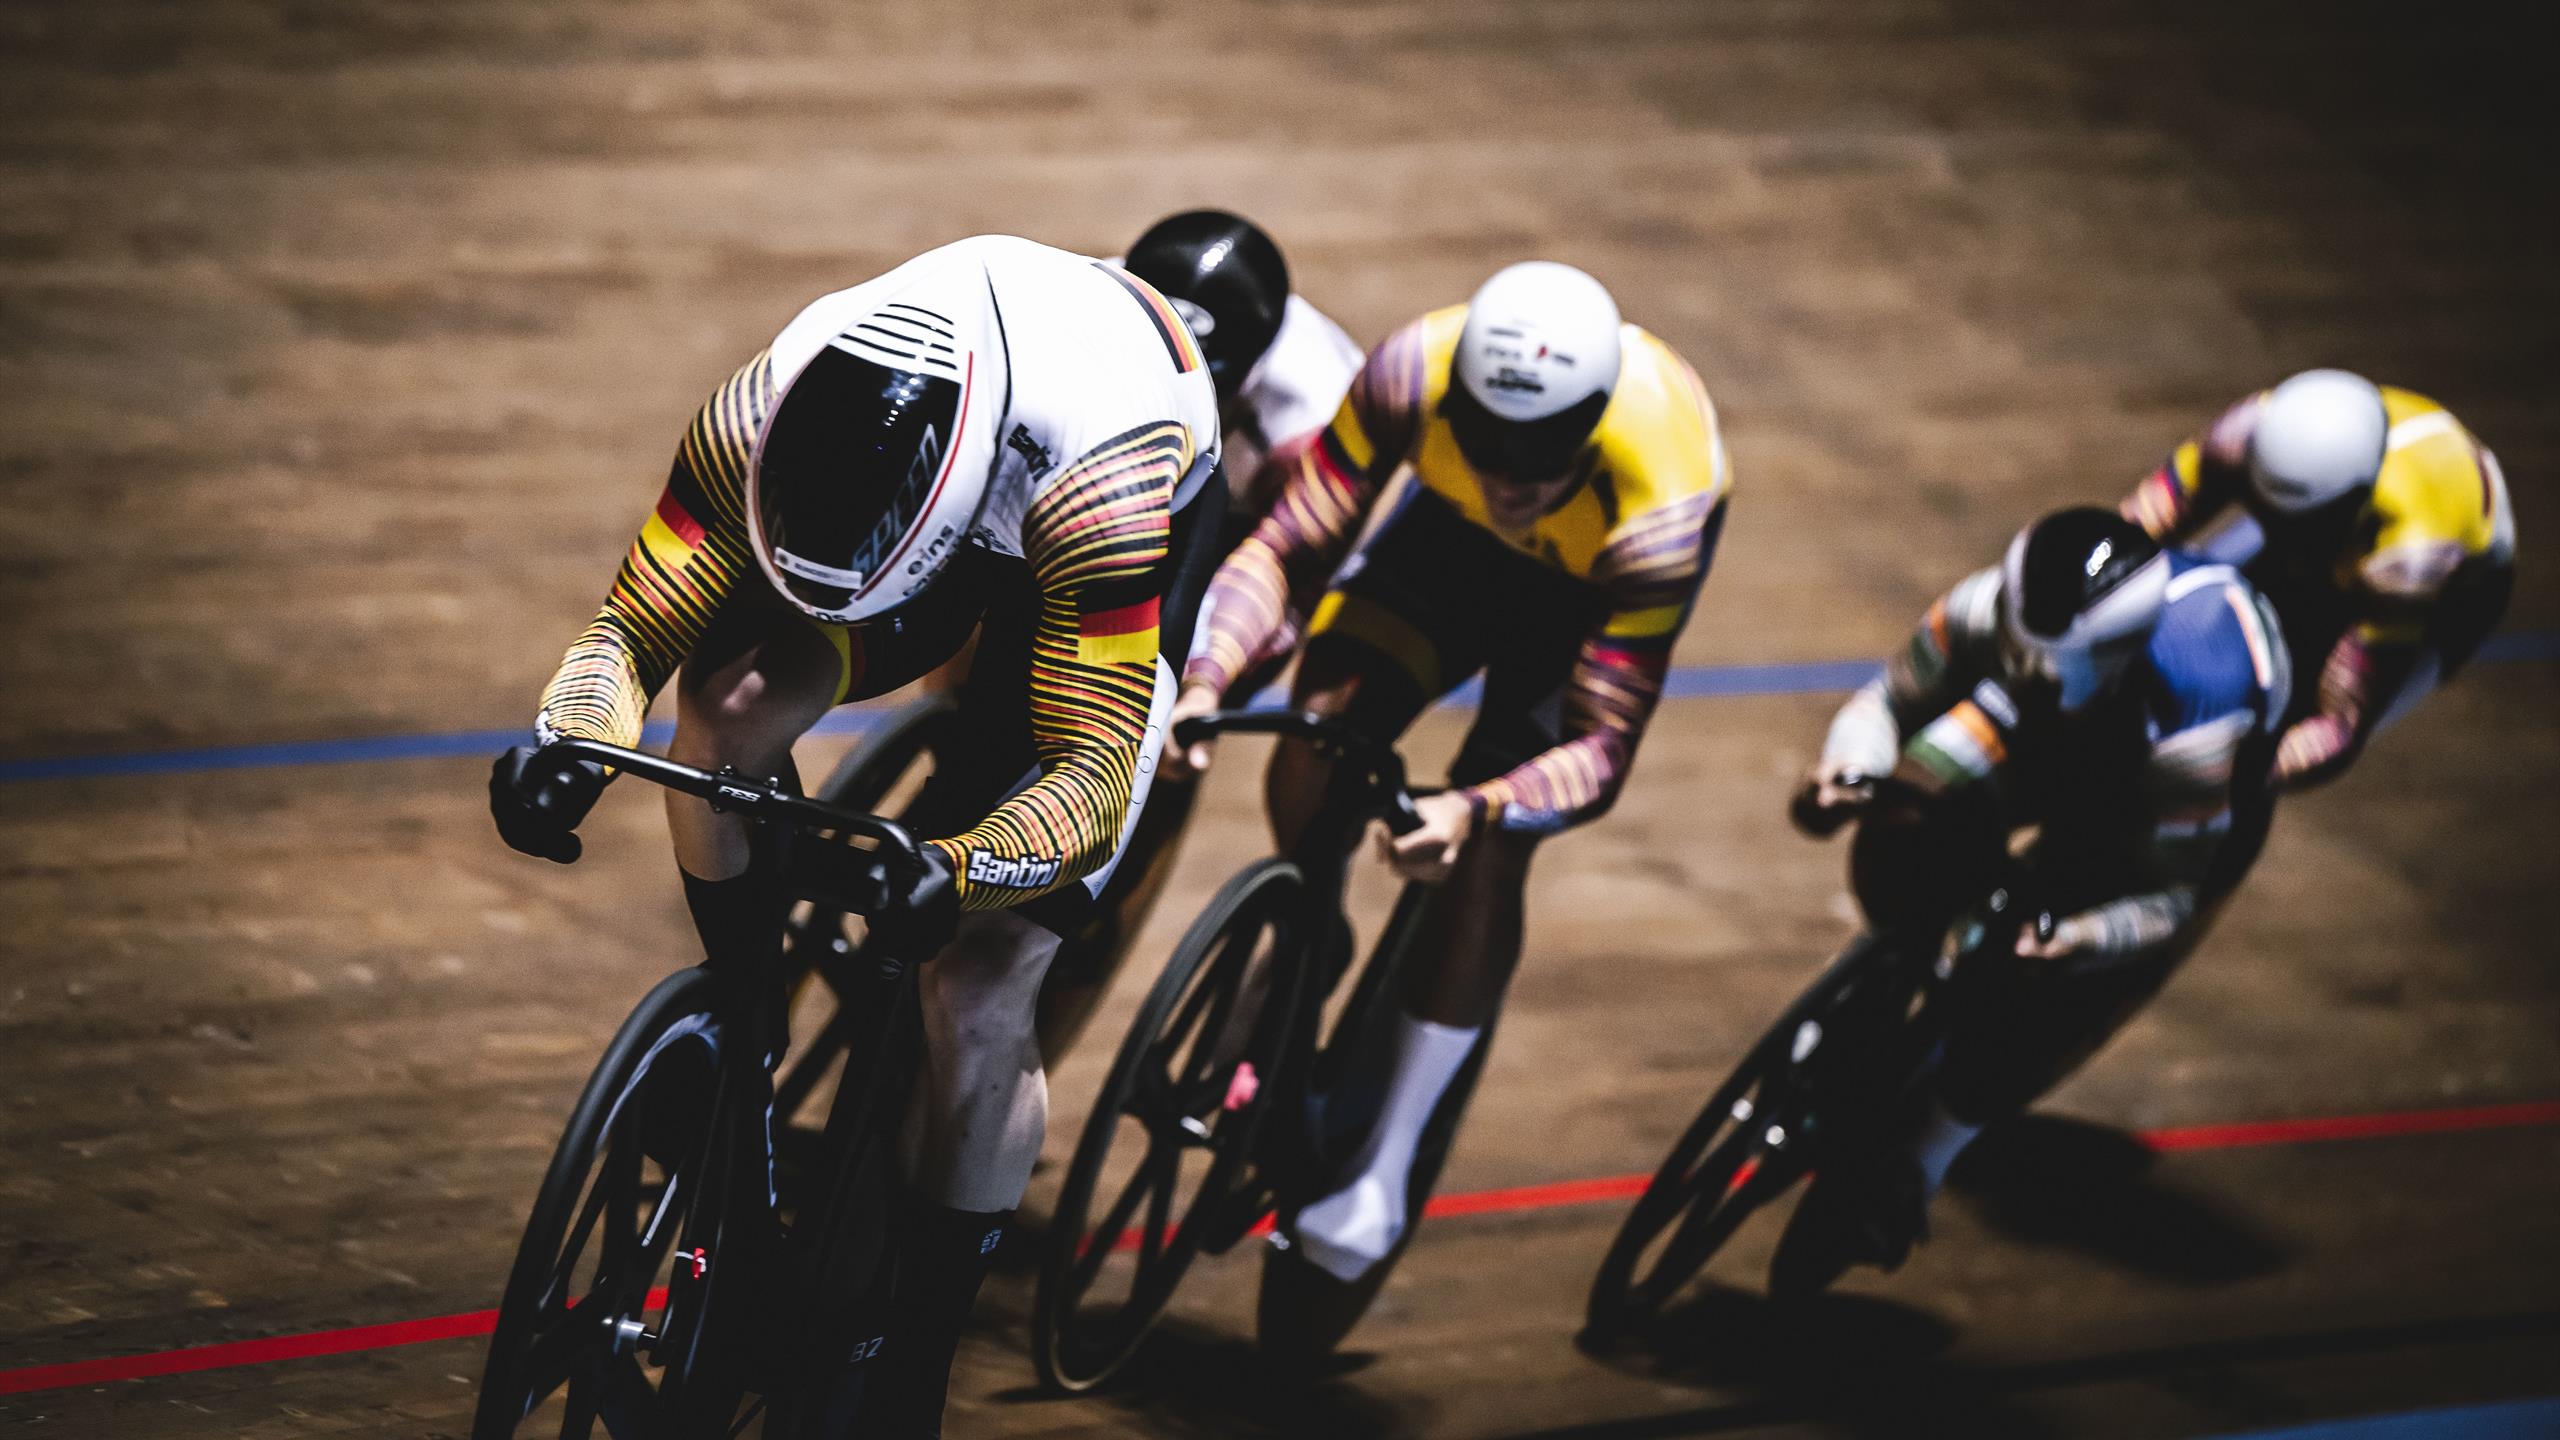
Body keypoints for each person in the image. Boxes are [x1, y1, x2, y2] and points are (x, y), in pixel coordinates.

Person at [485, 233, 1227, 1435]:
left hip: (1099, 542)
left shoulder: (1099, 488)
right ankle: (747, 1031)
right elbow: (629, 631)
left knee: (981, 984)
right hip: (910, 543)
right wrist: (568, 742)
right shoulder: (758, 411)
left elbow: (1088, 781)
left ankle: (921, 1345)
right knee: (722, 714)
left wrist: (964, 867)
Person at [1170, 260, 1734, 1283]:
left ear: (1593, 425)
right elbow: (1290, 546)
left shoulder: (1663, 512)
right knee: (1322, 723)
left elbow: (1600, 752)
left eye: (1539, 454)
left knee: (1487, 857)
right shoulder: (1408, 373)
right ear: (1456, 402)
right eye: (1490, 443)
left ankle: (1383, 1163)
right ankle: (1312, 928)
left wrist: (1476, 807)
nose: (1514, 477)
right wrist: (1206, 679)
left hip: (1585, 595)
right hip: (1446, 547)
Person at [1780, 507, 2291, 1293]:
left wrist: (2081, 936)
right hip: (2060, 729)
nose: (2022, 660)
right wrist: (1846, 773)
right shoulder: (1984, 611)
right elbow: (1886, 704)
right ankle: (1882, 980)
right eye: (2017, 643)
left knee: (2051, 984)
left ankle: (1923, 1158)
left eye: (2043, 661)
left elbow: (2166, 900)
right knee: (1908, 802)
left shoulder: (2199, 723)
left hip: (2161, 795)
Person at [1026, 210, 1367, 1060]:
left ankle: (1100, 903)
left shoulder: (1313, 414)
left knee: (1161, 735)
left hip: (1251, 533)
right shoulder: (1088, 304)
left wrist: (1194, 692)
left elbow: (1282, 578)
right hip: (1122, 465)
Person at [2120, 369, 2514, 791]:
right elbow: (2132, 528)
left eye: (2299, 529)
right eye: (2264, 512)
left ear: (2344, 512)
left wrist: (2228, 784)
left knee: (2277, 725)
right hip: (2361, 507)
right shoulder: (2243, 435)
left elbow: (2338, 728)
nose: (2282, 541)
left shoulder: (2407, 565)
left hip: (2454, 597)